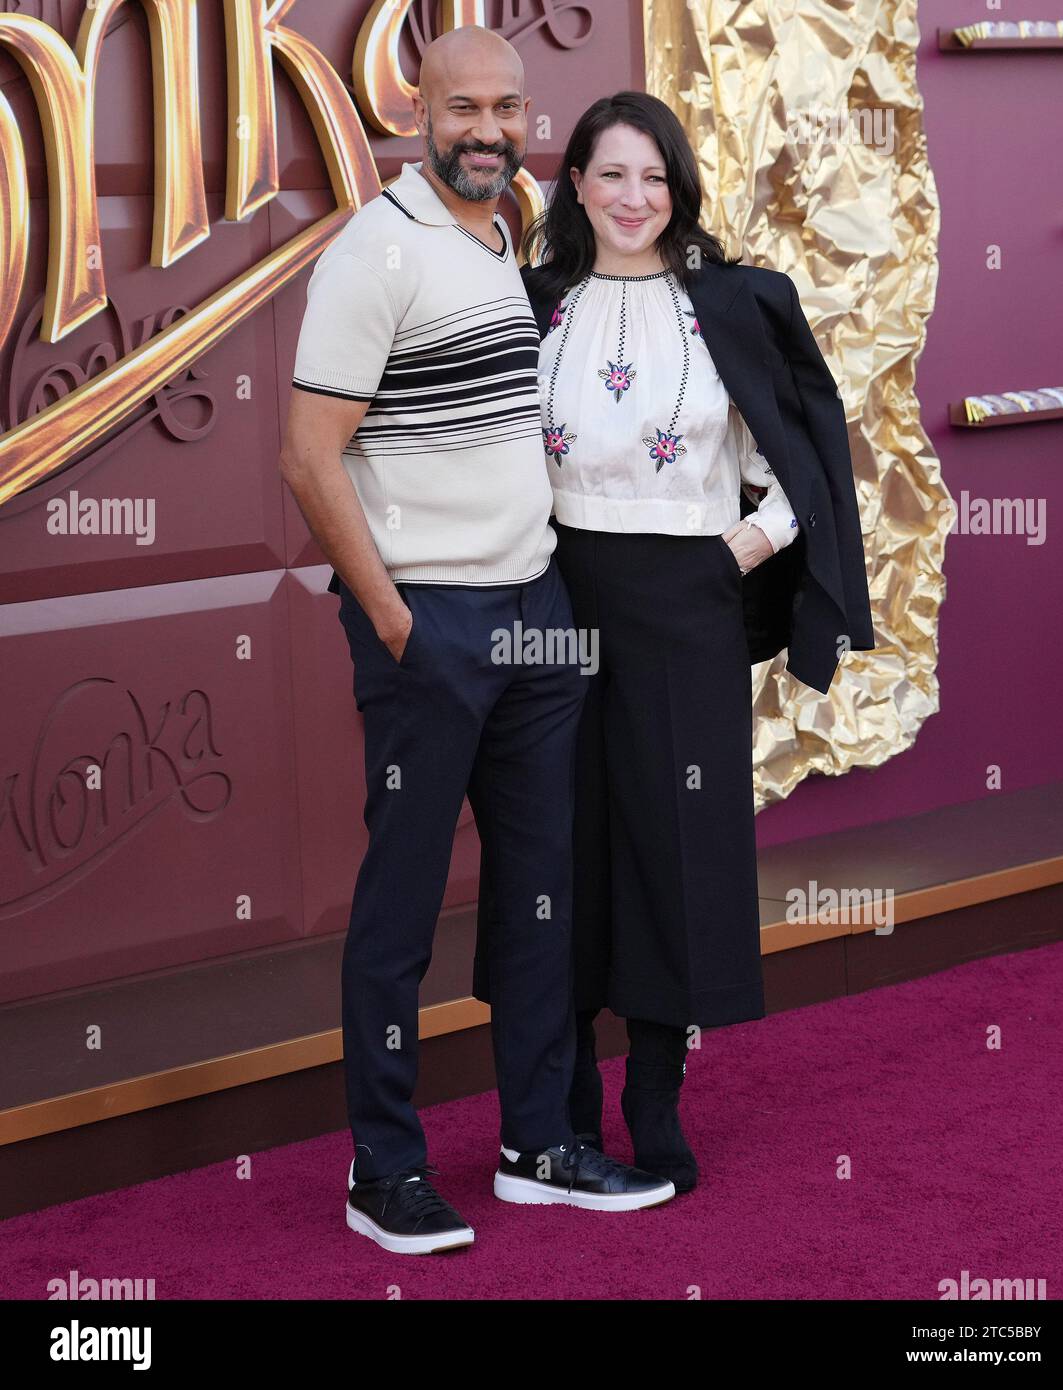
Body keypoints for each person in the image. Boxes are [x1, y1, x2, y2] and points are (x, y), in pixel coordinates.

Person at [280, 35, 675, 1255]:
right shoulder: (373, 253)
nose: (487, 127)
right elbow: (306, 455)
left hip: (536, 614)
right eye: (463, 107)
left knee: (539, 894)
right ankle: (381, 1169)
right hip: (432, 621)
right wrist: (396, 617)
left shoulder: (509, 233)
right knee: (400, 907)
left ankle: (535, 1143)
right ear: (418, 112)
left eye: (506, 105)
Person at [474, 91, 874, 1195]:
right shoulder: (531, 302)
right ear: (576, 188)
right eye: (609, 176)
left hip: (683, 606)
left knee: (670, 848)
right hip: (550, 604)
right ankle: (555, 1110)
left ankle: (652, 1091)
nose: (632, 198)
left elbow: (806, 462)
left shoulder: (737, 303)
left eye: (651, 177)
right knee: (554, 850)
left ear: (677, 185)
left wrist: (727, 559)